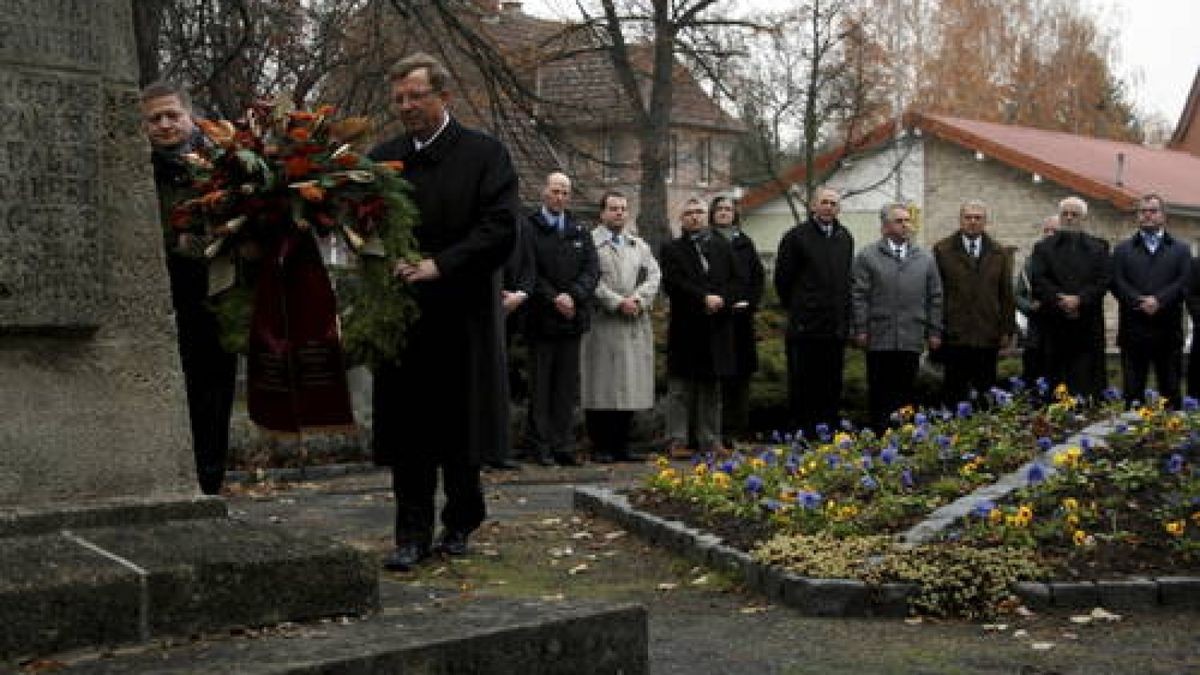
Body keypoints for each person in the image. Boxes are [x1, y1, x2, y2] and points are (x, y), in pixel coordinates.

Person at [369, 53, 518, 571]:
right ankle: (410, 534)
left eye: (417, 96)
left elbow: (501, 228)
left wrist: (441, 265)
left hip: (463, 313)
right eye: (399, 99)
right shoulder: (383, 159)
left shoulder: (485, 154)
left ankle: (460, 523)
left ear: (444, 96)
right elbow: (363, 226)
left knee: (460, 427)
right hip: (404, 316)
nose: (406, 106)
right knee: (408, 429)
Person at [140, 81, 238, 496]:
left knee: (212, 392)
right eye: (154, 119)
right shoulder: (137, 170)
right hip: (156, 294)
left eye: (172, 115)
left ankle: (208, 482)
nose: (164, 125)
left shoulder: (224, 163)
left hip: (215, 293)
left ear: (190, 116)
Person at [522, 172, 599, 466]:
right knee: (541, 388)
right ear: (544, 192)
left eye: (565, 192)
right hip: (541, 320)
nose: (560, 197)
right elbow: (529, 270)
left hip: (571, 320)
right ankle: (539, 446)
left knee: (566, 389)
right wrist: (555, 298)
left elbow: (592, 270)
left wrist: (574, 296)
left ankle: (563, 445)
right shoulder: (529, 227)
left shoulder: (580, 229)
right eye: (555, 191)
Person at [580, 191, 662, 462]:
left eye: (623, 209)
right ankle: (601, 445)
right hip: (603, 323)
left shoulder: (638, 245)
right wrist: (616, 302)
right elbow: (589, 278)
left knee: (628, 387)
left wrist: (637, 299)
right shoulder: (590, 243)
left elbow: (654, 275)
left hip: (632, 324)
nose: (619, 213)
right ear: (602, 212)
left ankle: (621, 445)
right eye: (613, 208)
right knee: (600, 387)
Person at [852, 204, 943, 432]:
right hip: (879, 338)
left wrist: (934, 331)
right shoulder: (867, 257)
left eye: (907, 220)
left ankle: (905, 438)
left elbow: (935, 297)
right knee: (880, 392)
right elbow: (859, 295)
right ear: (885, 227)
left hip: (911, 337)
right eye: (899, 221)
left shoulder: (925, 258)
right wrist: (860, 329)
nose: (905, 225)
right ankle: (879, 437)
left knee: (906, 393)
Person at [773, 187, 854, 437]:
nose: (829, 207)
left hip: (834, 328)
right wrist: (801, 308)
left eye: (833, 203)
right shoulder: (796, 237)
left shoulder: (845, 237)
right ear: (813, 206)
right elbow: (783, 280)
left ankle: (828, 435)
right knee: (803, 386)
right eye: (824, 202)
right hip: (805, 328)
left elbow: (845, 281)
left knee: (831, 385)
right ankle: (802, 435)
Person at [660, 197, 737, 455]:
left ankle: (710, 439)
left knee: (711, 387)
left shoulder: (722, 246)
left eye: (700, 212)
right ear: (682, 219)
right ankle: (677, 440)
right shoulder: (672, 249)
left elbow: (735, 280)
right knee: (680, 387)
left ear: (707, 216)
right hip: (686, 325)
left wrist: (722, 299)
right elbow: (673, 283)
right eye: (689, 213)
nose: (695, 217)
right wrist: (703, 298)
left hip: (716, 326)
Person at [1111, 193, 1191, 407]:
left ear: (1164, 216)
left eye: (1153, 211)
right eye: (1143, 211)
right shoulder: (1122, 250)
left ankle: (1172, 427)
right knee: (1132, 394)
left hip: (1168, 331)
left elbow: (1184, 282)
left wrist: (1159, 301)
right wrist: (1139, 301)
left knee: (1170, 392)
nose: (1147, 215)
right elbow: (1117, 282)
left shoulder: (1181, 250)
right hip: (1133, 331)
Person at [932, 200, 1015, 405]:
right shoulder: (942, 250)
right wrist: (934, 330)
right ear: (960, 220)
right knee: (954, 393)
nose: (972, 221)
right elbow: (935, 293)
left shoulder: (999, 253)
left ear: (985, 221)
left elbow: (1006, 294)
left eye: (978, 218)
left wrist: (1007, 330)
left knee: (986, 395)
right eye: (968, 217)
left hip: (987, 335)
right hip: (954, 335)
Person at [1029, 196, 1110, 399]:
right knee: (1055, 382)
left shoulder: (1098, 248)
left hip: (1087, 325)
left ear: (1083, 218)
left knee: (1086, 383)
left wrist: (1079, 299)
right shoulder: (1043, 248)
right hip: (1054, 324)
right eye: (1065, 214)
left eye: (1074, 214)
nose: (1069, 218)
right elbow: (1038, 280)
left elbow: (1103, 281)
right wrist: (1061, 300)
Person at [711, 195, 764, 445]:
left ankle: (736, 429)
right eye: (719, 209)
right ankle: (714, 431)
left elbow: (757, 278)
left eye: (728, 209)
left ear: (735, 214)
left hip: (741, 319)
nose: (724, 213)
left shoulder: (745, 242)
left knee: (740, 378)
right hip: (715, 318)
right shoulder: (706, 241)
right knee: (717, 378)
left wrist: (749, 302)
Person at [1016, 216, 1059, 384]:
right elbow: (1017, 294)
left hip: (1061, 325)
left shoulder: (1072, 259)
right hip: (1037, 326)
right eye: (1046, 230)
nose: (1049, 234)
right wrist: (1029, 306)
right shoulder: (1031, 262)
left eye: (1054, 231)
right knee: (1033, 370)